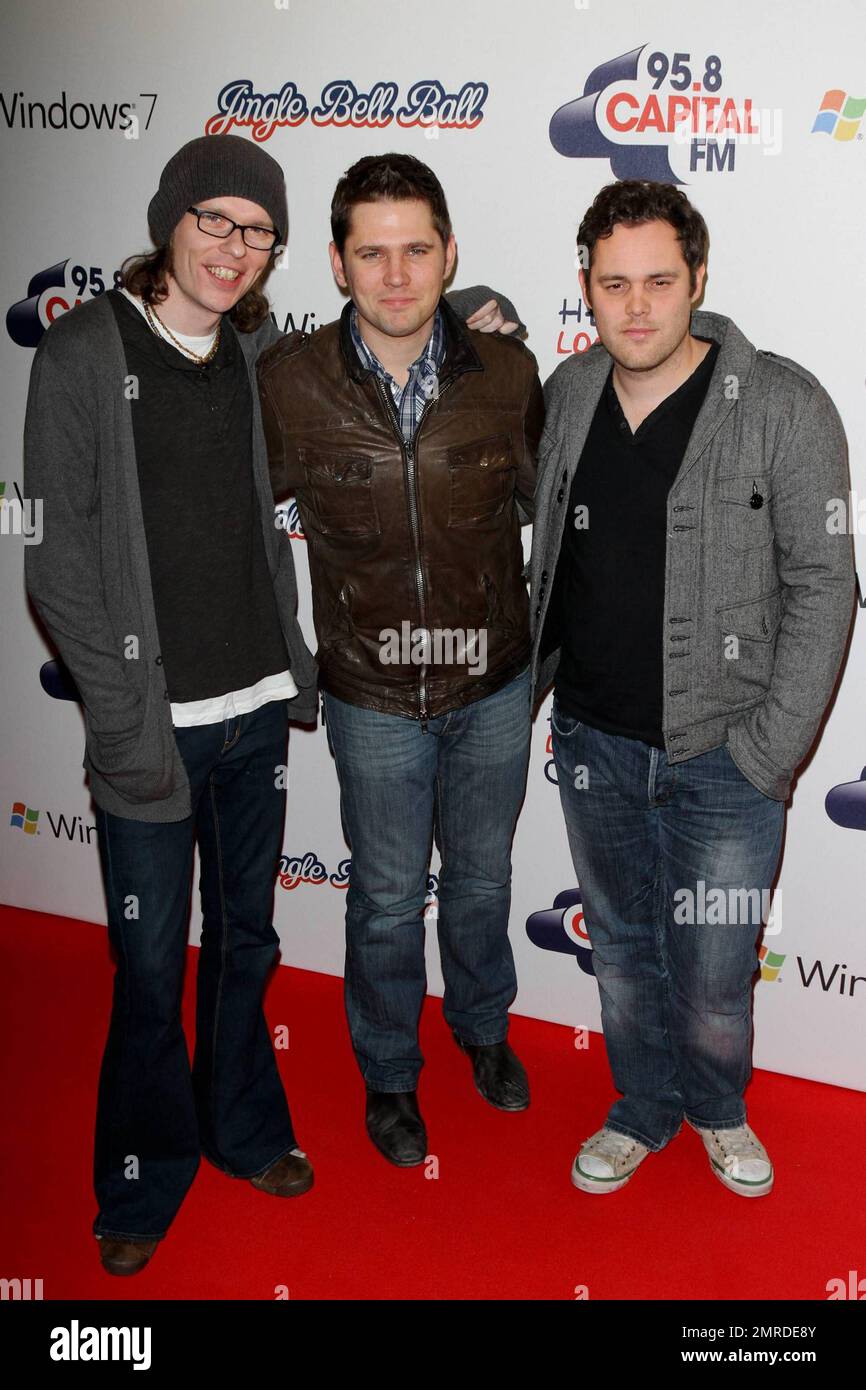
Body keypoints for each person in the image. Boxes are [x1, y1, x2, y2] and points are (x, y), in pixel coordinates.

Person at [23, 134, 514, 1275]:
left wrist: (483, 312)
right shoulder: (86, 355)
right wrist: (122, 719)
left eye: (257, 233)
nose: (234, 250)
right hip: (151, 728)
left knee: (245, 941)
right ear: (169, 222)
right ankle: (141, 1175)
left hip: (256, 709)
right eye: (214, 222)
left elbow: (382, 345)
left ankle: (242, 1127)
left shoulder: (257, 356)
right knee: (149, 969)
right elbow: (52, 564)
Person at [529, 179, 854, 1198]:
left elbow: (824, 583)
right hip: (591, 742)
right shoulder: (569, 392)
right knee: (622, 952)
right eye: (611, 283)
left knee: (715, 973)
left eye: (657, 281)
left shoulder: (783, 404)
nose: (634, 306)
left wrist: (768, 753)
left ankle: (716, 1109)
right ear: (583, 285)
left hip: (724, 755)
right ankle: (640, 1108)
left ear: (697, 279)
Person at [259, 153, 544, 1166]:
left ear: (449, 253)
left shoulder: (509, 375)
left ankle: (480, 1028)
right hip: (372, 695)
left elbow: (552, 522)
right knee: (384, 900)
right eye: (370, 253)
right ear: (336, 265)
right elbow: (234, 525)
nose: (395, 274)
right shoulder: (286, 386)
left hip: (491, 680)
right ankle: (387, 1073)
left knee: (478, 880)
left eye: (415, 249)